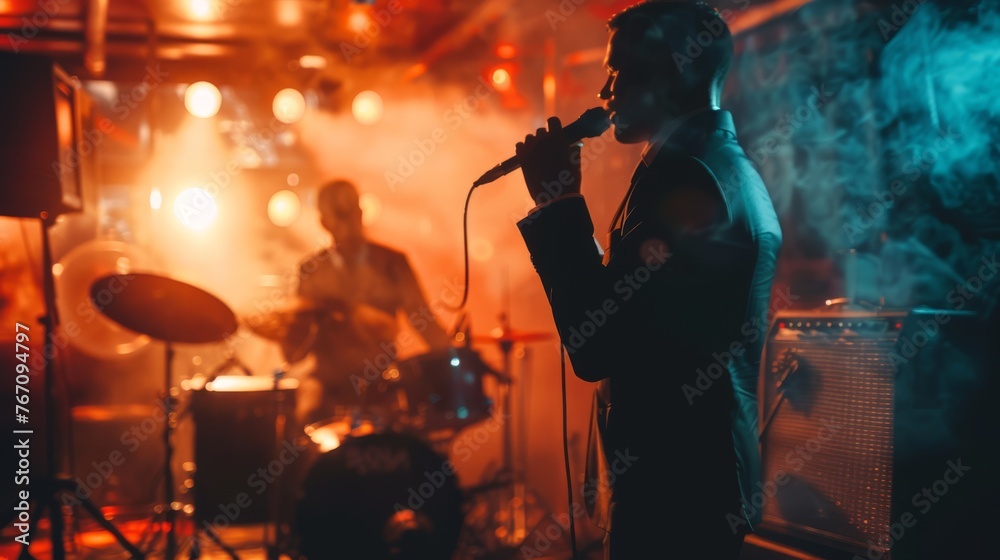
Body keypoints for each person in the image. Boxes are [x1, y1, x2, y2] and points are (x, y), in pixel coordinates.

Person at [513, 2, 782, 558]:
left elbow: (600, 341)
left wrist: (560, 204)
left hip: (677, 489)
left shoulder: (687, 175)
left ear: (677, 69)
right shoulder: (716, 163)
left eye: (621, 70)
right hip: (699, 475)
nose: (605, 90)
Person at [283, 179, 453, 427]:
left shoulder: (393, 263)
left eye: (351, 212)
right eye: (339, 216)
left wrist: (455, 356)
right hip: (328, 392)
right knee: (301, 423)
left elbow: (423, 321)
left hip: (383, 387)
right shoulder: (311, 271)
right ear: (324, 223)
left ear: (361, 213)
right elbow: (293, 348)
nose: (348, 223)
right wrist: (290, 334)